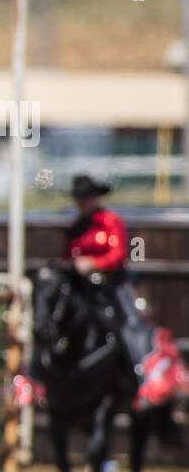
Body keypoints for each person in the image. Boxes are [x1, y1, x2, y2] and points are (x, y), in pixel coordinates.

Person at [58, 173, 184, 409]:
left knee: (132, 327)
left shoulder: (110, 222)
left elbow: (117, 256)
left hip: (111, 285)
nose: (82, 203)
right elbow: (66, 256)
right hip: (82, 289)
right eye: (79, 199)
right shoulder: (75, 229)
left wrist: (93, 264)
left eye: (86, 198)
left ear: (94, 198)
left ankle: (144, 381)